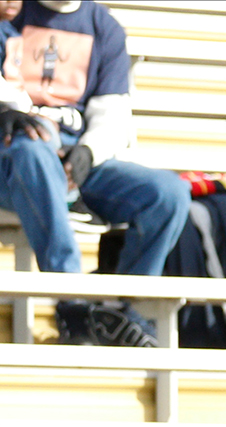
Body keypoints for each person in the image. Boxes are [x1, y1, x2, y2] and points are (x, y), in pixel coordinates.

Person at [0, 0, 189, 347]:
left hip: (76, 156)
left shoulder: (105, 28)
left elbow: (112, 113)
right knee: (33, 152)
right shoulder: (9, 9)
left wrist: (87, 152)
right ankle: (73, 302)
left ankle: (116, 310)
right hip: (13, 158)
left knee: (168, 193)